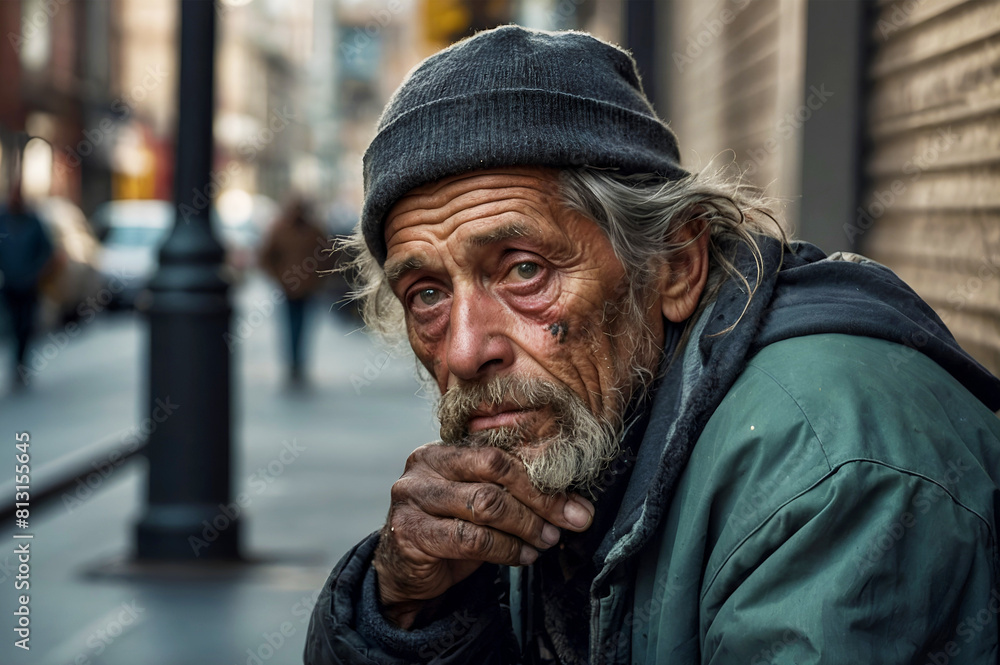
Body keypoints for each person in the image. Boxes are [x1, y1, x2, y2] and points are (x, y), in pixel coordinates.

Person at [304, 26, 1000, 664]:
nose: (461, 350)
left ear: (674, 264)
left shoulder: (831, 472)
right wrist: (407, 608)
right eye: (427, 292)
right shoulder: (571, 433)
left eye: (524, 270)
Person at [258, 197, 330, 386]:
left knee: (302, 327)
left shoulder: (314, 231)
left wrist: (317, 279)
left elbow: (327, 255)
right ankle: (293, 363)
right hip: (288, 288)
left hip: (307, 289)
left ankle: (298, 363)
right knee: (291, 326)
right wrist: (280, 278)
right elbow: (266, 257)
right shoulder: (281, 230)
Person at [0, 179, 53, 390]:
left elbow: (47, 250)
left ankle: (22, 363)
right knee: (13, 324)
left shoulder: (33, 221)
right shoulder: (3, 220)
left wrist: (37, 273)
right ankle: (16, 363)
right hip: (9, 283)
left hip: (29, 284)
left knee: (26, 325)